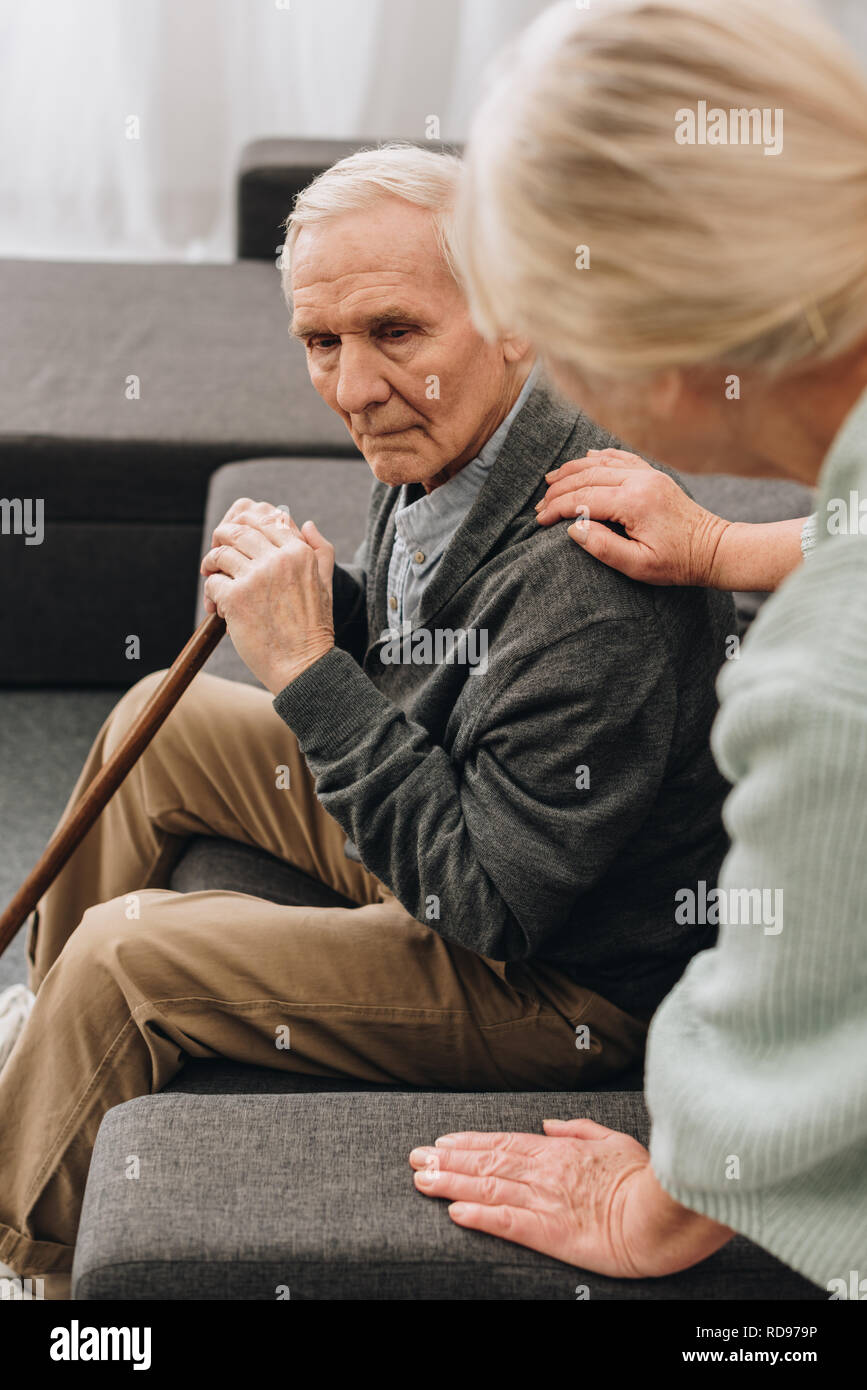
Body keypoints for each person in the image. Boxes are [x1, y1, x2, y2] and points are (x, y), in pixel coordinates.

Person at [0, 144, 733, 1280]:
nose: (350, 388)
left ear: (515, 322)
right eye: (321, 343)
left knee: (126, 957)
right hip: (458, 814)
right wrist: (323, 601)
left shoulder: (589, 595)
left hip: (560, 970)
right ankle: (50, 1049)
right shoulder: (451, 440)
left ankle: (20, 1242)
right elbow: (430, 672)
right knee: (165, 711)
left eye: (395, 333)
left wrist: (305, 666)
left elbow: (488, 905)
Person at [410, 0, 867, 1290]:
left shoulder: (829, 682)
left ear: (662, 374)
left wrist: (658, 1209)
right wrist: (731, 551)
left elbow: (801, 1029)